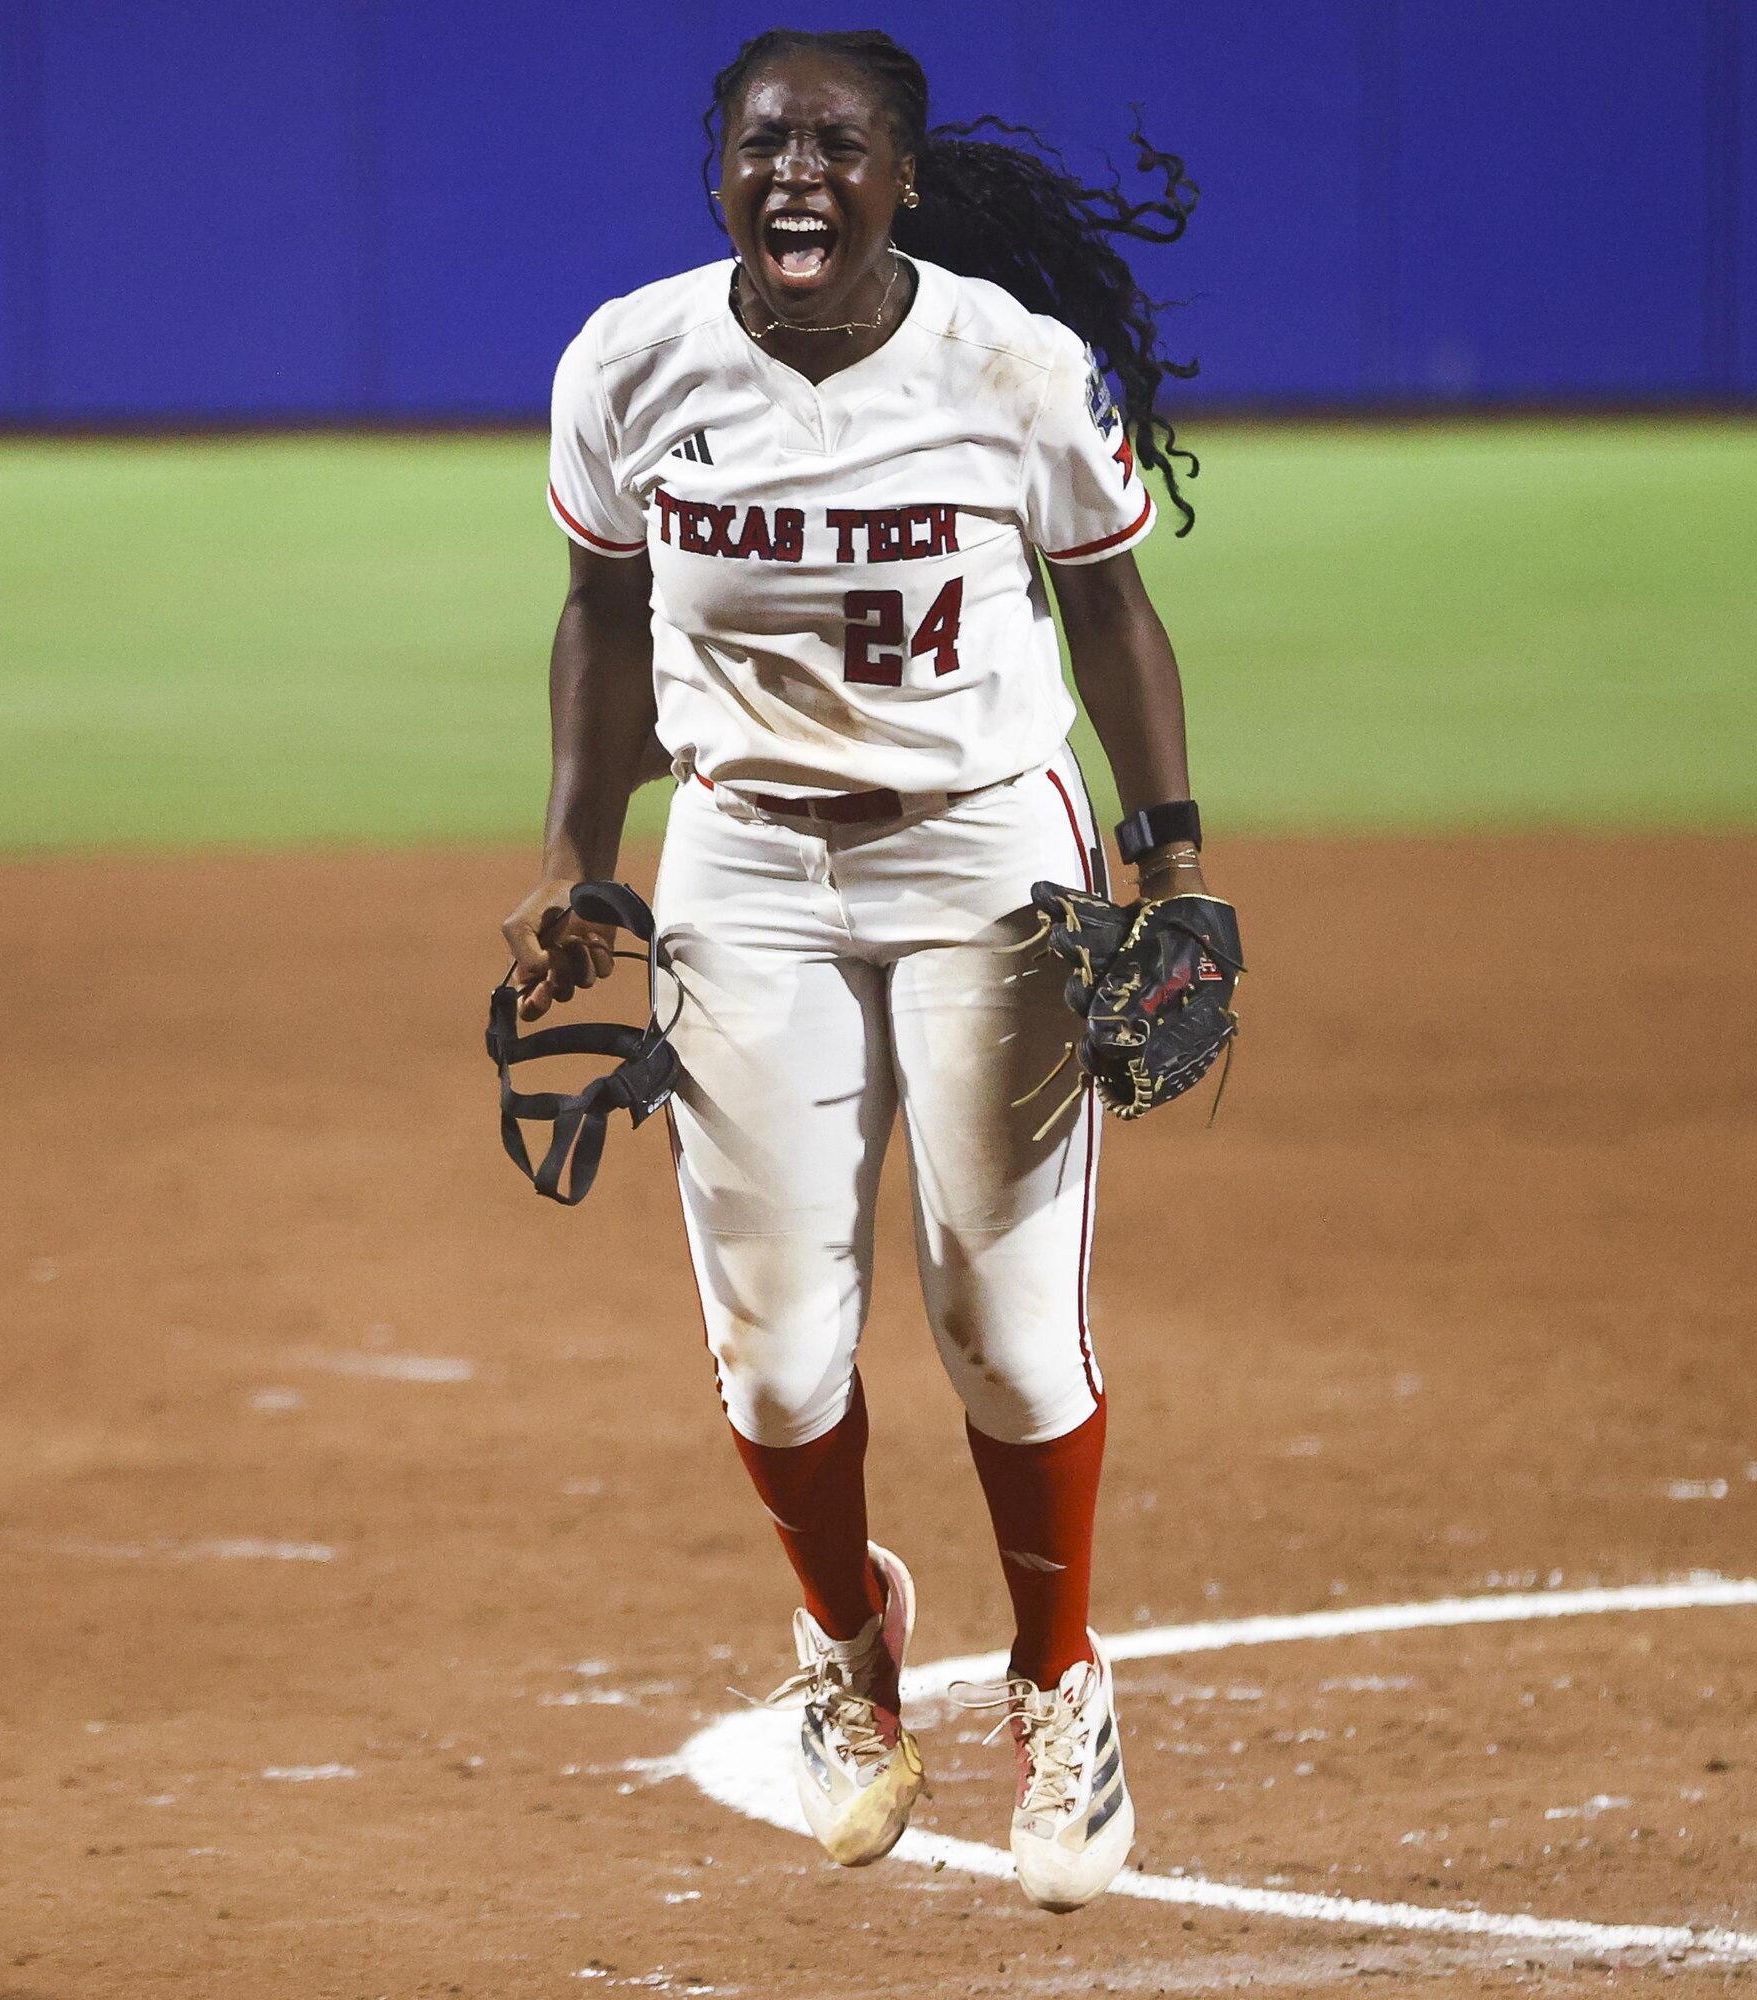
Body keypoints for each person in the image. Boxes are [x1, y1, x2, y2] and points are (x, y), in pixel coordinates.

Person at [502, 26, 1228, 1913]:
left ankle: (1063, 1688)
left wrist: (1177, 862)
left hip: (986, 851)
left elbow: (1112, 609)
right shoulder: (628, 361)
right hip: (741, 862)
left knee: (1003, 1320)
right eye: (765, 143)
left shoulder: (1008, 361)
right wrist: (582, 859)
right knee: (774, 1348)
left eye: (838, 144)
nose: (798, 172)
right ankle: (852, 1646)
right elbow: (593, 613)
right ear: (719, 168)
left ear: (902, 172)